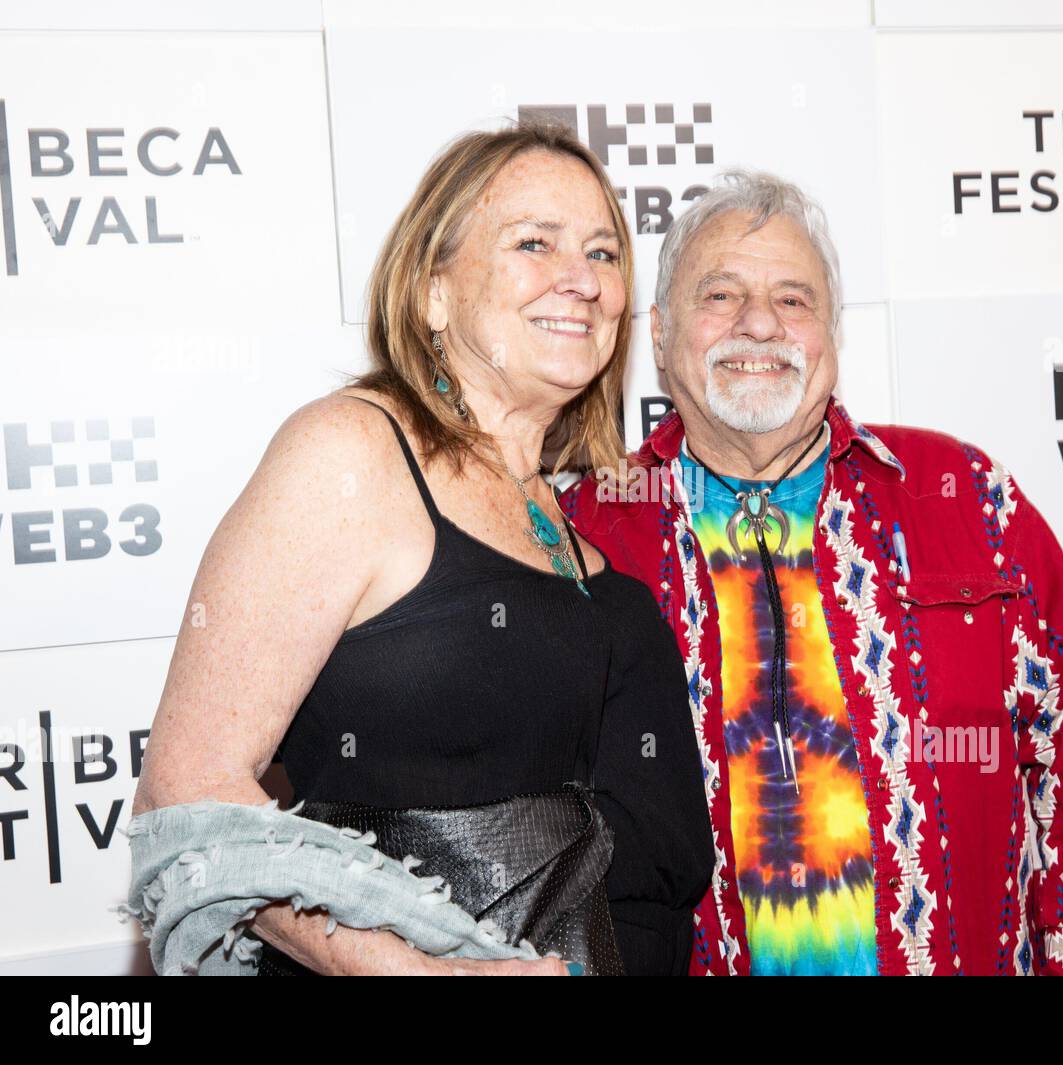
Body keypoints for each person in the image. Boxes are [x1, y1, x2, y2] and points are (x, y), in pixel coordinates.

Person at [127, 122, 713, 976]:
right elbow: (185, 789)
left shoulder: (585, 523)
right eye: (532, 243)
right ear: (434, 290)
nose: (581, 280)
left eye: (604, 253)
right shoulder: (353, 455)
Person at [563, 168, 1063, 975]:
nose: (761, 323)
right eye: (722, 296)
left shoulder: (965, 496)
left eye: (795, 299)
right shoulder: (588, 535)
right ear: (660, 335)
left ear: (832, 336)